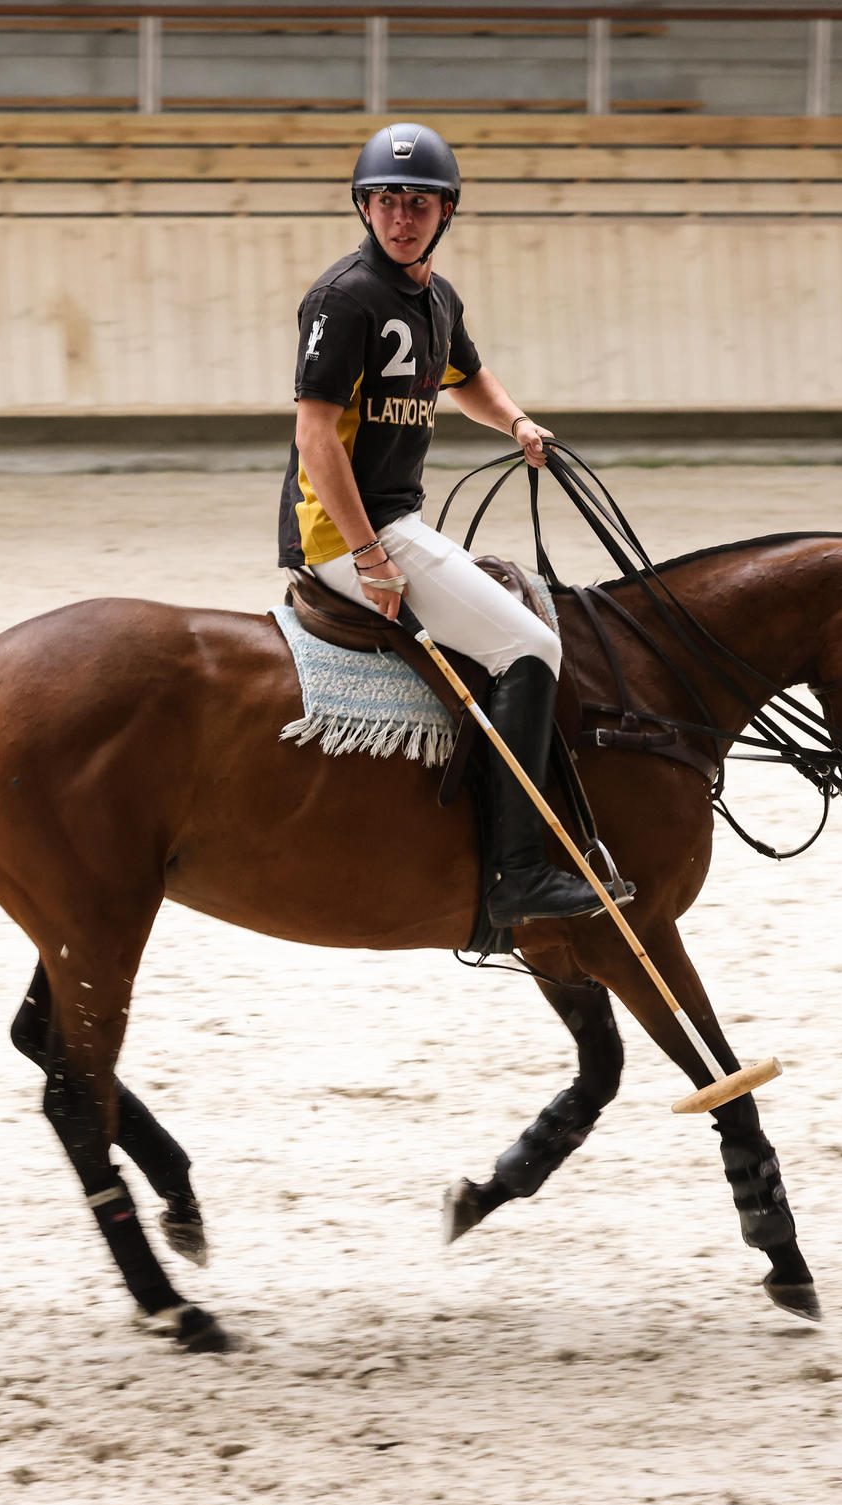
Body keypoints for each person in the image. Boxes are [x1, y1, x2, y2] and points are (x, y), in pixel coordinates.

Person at [277, 122, 628, 928]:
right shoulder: (343, 298)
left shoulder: (436, 297)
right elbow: (314, 435)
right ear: (365, 208)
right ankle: (516, 872)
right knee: (534, 646)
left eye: (420, 203)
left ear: (446, 212)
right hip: (345, 532)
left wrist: (516, 423)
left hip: (401, 518)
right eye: (388, 201)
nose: (402, 217)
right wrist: (366, 555)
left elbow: (465, 377)